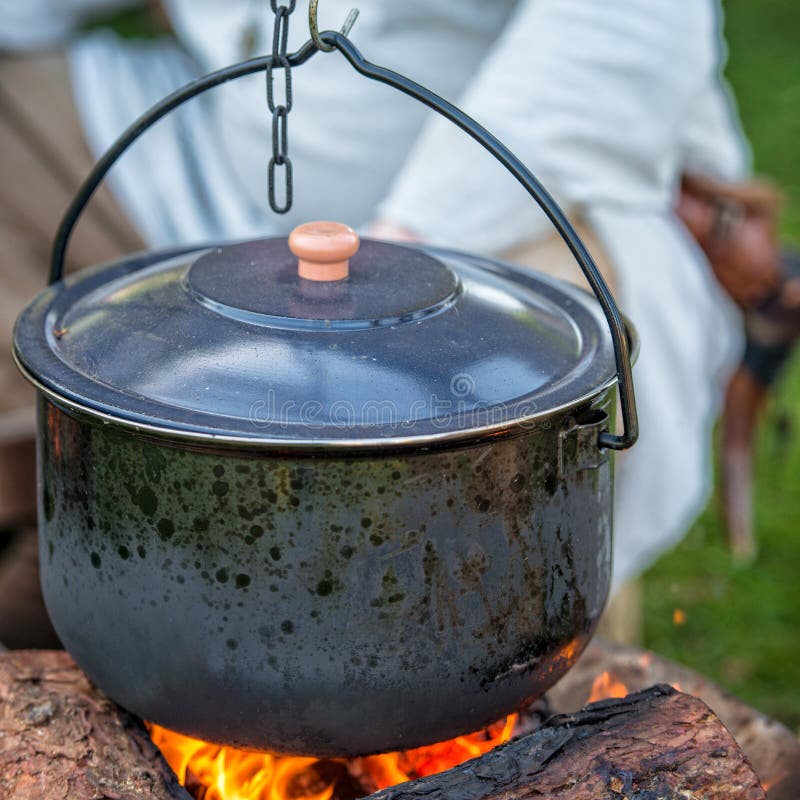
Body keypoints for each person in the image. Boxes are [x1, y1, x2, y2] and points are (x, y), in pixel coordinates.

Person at [0, 0, 755, 646]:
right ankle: (88, 522)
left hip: (508, 203)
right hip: (203, 160)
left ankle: (477, 648)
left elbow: (631, 20)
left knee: (507, 395)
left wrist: (406, 248)